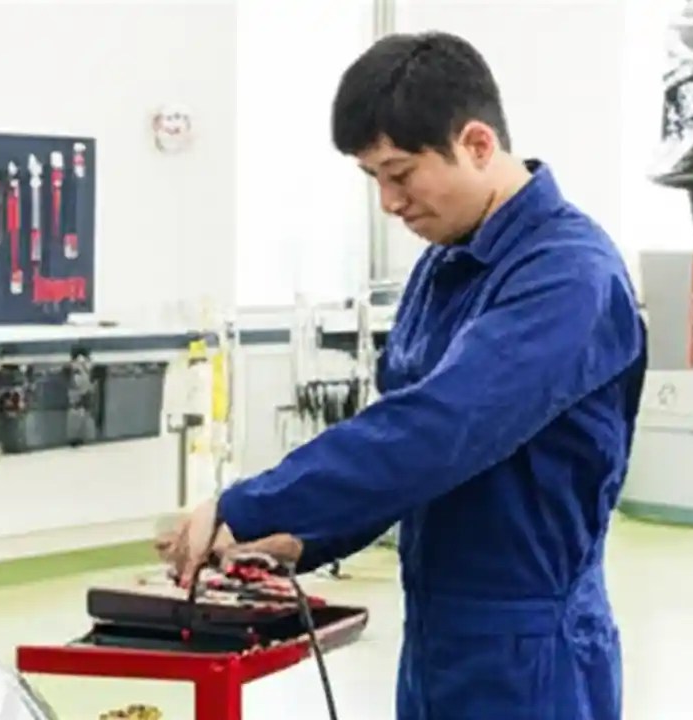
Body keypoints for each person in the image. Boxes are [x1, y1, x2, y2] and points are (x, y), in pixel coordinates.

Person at [161, 30, 647, 720]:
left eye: (400, 173)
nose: (389, 203)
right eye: (373, 180)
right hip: (439, 635)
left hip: (531, 652)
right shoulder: (445, 265)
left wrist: (252, 505)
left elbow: (440, 428)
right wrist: (303, 539)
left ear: (477, 144)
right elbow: (405, 453)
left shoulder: (569, 274)